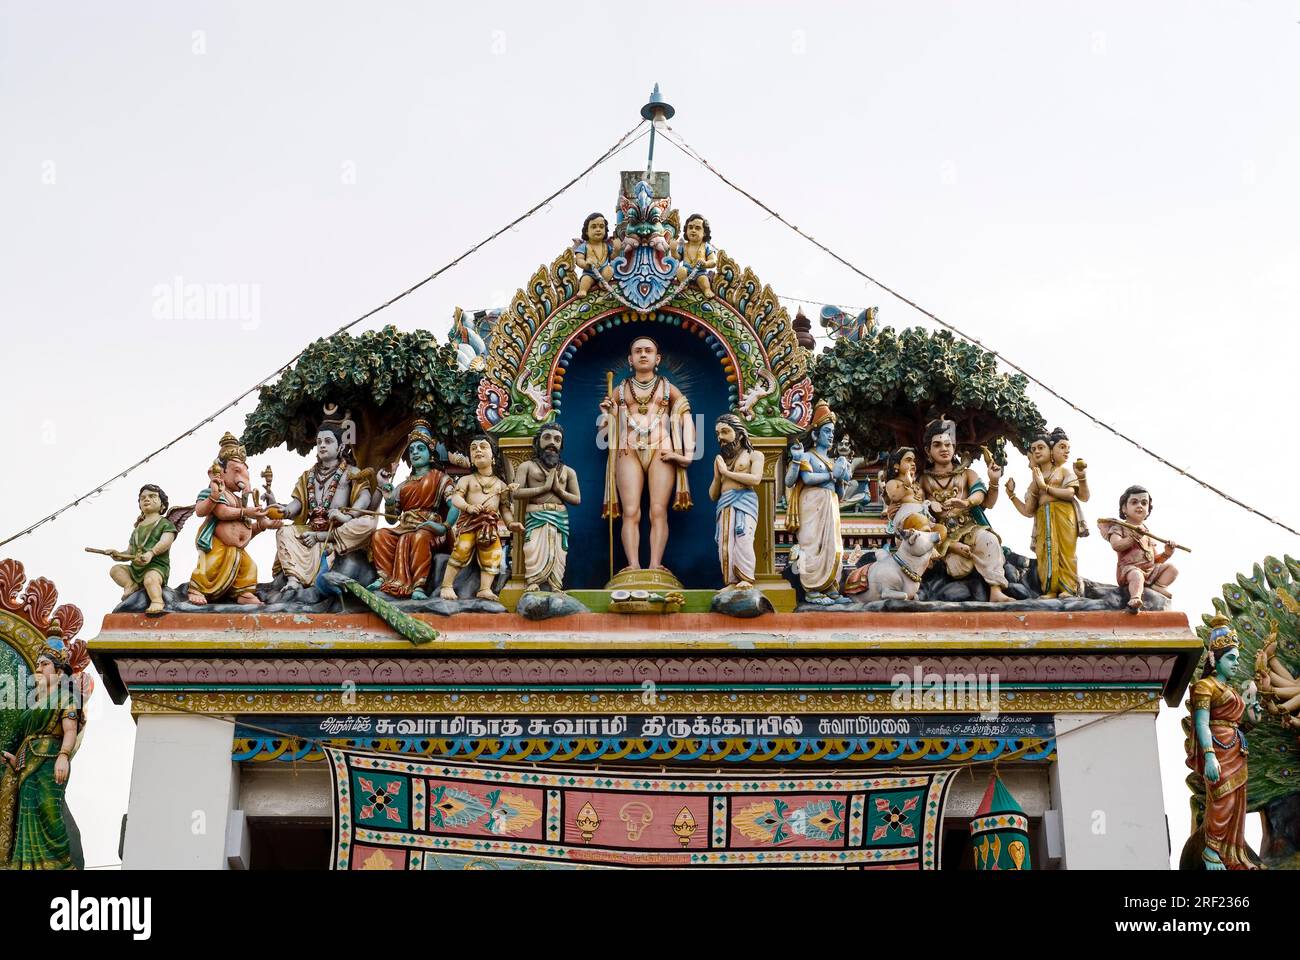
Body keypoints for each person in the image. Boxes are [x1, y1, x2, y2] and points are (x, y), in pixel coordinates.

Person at [600, 336, 694, 573]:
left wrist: (687, 454)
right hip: (628, 449)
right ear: (630, 359)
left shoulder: (667, 388)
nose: (643, 354)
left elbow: (686, 419)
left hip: (661, 449)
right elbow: (603, 428)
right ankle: (632, 564)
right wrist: (608, 415)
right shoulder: (620, 391)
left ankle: (654, 565)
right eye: (638, 351)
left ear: (657, 358)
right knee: (630, 511)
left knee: (657, 510)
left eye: (648, 351)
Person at [0, 629, 86, 869]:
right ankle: (26, 864)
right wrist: (14, 761)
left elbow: (69, 731)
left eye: (45, 664)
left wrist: (63, 756)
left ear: (58, 672)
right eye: (37, 664)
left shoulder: (66, 698)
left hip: (50, 761)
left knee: (49, 809)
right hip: (28, 764)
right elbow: (27, 740)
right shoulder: (34, 704)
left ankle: (58, 865)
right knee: (25, 812)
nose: (38, 669)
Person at [1186, 616, 1263, 869]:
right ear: (1214, 658)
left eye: (1237, 659)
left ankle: (1233, 854)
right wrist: (1208, 755)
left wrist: (1252, 710)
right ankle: (1211, 851)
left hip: (1236, 748)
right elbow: (1201, 723)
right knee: (1223, 799)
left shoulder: (1230, 690)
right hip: (1218, 748)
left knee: (1238, 802)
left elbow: (1242, 723)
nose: (1235, 663)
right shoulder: (1204, 687)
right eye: (1230, 658)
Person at [268, 419, 377, 595]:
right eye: (319, 442)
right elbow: (298, 502)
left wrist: (348, 517)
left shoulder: (351, 472)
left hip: (339, 529)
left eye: (328, 441)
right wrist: (284, 510)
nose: (322, 446)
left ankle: (323, 539)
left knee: (368, 524)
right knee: (284, 532)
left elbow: (364, 497)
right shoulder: (308, 475)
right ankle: (293, 580)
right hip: (311, 528)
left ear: (341, 447)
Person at [918, 418, 1010, 602]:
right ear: (928, 451)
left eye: (948, 444)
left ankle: (996, 590)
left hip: (970, 527)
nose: (944, 449)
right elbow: (917, 508)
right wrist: (928, 505)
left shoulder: (966, 474)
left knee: (990, 541)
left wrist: (968, 501)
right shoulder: (923, 480)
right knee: (957, 568)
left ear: (954, 448)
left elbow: (982, 497)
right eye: (937, 445)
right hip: (941, 535)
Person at [187, 432, 281, 605]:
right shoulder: (215, 493)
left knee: (250, 567)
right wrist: (244, 511)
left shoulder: (239, 501)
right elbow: (221, 513)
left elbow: (246, 531)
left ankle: (244, 593)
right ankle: (197, 588)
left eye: (244, 472)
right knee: (212, 563)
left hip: (238, 550)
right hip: (217, 544)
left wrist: (262, 525)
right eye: (236, 471)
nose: (242, 478)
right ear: (218, 472)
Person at [369, 420, 456, 600]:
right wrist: (390, 499)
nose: (415, 452)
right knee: (380, 535)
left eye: (420, 448)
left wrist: (445, 527)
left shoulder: (440, 478)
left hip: (430, 528)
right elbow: (392, 519)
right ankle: (384, 577)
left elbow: (455, 505)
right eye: (412, 449)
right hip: (405, 526)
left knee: (419, 537)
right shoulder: (403, 485)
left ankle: (419, 585)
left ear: (430, 453)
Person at [439, 435, 522, 602]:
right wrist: (468, 507)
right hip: (470, 523)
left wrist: (511, 524)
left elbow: (504, 509)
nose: (477, 450)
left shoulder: (500, 485)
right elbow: (456, 499)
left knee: (493, 553)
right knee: (461, 549)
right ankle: (446, 585)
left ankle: (485, 589)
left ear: (493, 456)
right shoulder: (466, 480)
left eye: (483, 446)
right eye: (473, 448)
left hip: (489, 526)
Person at [784, 401, 852, 604]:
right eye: (827, 431)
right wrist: (833, 475)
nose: (831, 436)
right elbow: (806, 479)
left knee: (833, 546)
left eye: (832, 432)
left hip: (830, 506)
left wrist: (843, 477)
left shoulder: (832, 460)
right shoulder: (807, 456)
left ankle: (831, 587)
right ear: (815, 435)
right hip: (811, 505)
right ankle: (811, 590)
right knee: (811, 545)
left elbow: (839, 493)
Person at [1006, 428, 1081, 597]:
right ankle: (1050, 589)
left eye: (1041, 447)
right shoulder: (1036, 479)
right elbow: (1028, 510)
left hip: (1064, 515)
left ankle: (1068, 588)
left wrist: (1045, 487)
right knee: (1045, 552)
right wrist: (1012, 496)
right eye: (1034, 449)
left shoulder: (1063, 471)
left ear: (1051, 450)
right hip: (1042, 518)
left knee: (1065, 552)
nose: (1037, 451)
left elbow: (1070, 493)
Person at [512, 424, 581, 592]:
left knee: (558, 552)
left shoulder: (568, 471)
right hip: (536, 515)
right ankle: (533, 582)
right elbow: (516, 492)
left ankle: (555, 584)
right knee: (533, 548)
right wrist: (543, 489)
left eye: (557, 439)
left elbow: (577, 499)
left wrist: (558, 490)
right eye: (547, 437)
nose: (552, 443)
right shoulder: (527, 466)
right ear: (538, 442)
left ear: (561, 446)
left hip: (559, 517)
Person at [1098, 485, 1179, 612]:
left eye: (1144, 503)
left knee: (1172, 569)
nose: (1139, 505)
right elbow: (1116, 545)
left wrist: (1166, 553)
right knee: (1137, 575)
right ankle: (1135, 598)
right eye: (1134, 502)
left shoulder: (1146, 533)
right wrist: (1133, 537)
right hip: (1129, 570)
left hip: (1149, 571)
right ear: (1124, 508)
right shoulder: (1119, 527)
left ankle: (1158, 586)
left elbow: (1153, 559)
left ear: (1148, 509)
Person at [710, 413, 764, 590]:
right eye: (718, 434)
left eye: (725, 432)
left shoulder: (754, 455)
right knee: (725, 544)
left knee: (744, 539)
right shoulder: (721, 461)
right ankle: (731, 581)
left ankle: (746, 578)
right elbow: (713, 495)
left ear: (740, 434)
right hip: (725, 504)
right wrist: (718, 477)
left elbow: (755, 479)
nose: (721, 438)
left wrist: (727, 473)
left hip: (745, 502)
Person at [108, 484, 178, 615]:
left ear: (162, 504)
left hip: (156, 567)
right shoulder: (137, 528)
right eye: (143, 498)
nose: (146, 499)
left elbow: (166, 541)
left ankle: (157, 601)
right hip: (135, 569)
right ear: (140, 505)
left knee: (150, 580)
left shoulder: (164, 523)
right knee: (116, 570)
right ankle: (130, 585)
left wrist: (151, 553)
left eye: (152, 496)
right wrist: (118, 555)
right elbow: (130, 552)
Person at [574, 212, 620, 297]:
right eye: (594, 227)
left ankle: (602, 283)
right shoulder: (584, 246)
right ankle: (583, 290)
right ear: (587, 231)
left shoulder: (606, 246)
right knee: (586, 280)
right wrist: (585, 263)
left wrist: (616, 250)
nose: (598, 229)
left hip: (603, 272)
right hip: (589, 273)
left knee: (609, 270)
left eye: (601, 227)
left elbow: (612, 258)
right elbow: (579, 259)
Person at [675, 213, 718, 297]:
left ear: (705, 233)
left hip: (700, 272)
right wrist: (673, 251)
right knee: (680, 270)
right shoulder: (683, 246)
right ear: (686, 230)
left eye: (697, 228)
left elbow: (713, 261)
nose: (693, 230)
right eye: (690, 227)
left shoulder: (706, 246)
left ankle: (707, 290)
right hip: (686, 271)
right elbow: (677, 258)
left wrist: (705, 264)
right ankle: (684, 284)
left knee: (703, 280)